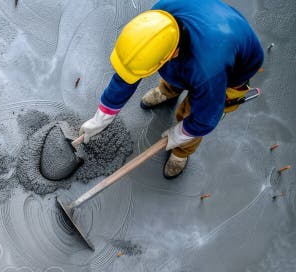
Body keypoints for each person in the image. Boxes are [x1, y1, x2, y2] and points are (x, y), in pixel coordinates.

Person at [79, 0, 263, 179]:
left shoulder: (209, 73)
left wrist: (181, 134)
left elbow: (205, 119)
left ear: (174, 53)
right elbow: (129, 71)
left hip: (235, 61)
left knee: (191, 112)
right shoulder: (157, 21)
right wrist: (101, 118)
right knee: (175, 73)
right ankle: (168, 91)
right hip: (209, 29)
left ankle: (181, 153)